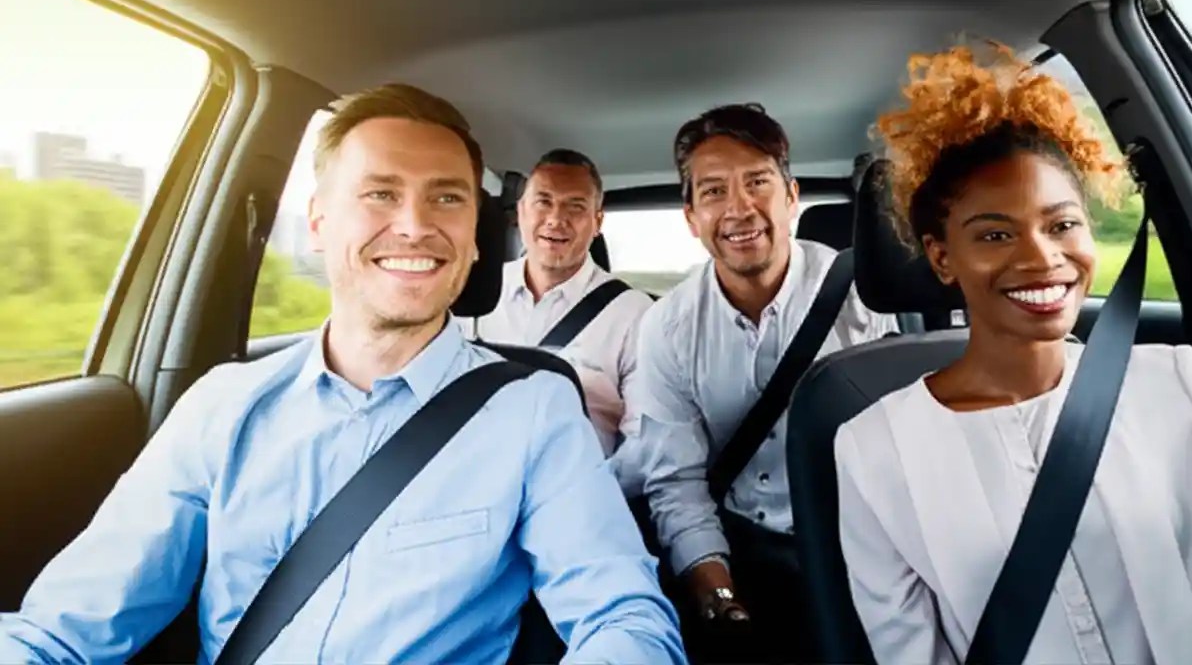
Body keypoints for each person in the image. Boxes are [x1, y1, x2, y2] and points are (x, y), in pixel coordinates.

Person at [0, 84, 686, 664]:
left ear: (478, 237)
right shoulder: (222, 407)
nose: (415, 225)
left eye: (447, 198)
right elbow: (63, 633)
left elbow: (623, 618)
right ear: (320, 222)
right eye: (380, 193)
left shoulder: (534, 410)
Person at [835, 41, 1192, 664]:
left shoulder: (1183, 385)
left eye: (1063, 224)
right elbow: (908, 650)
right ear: (942, 257)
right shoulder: (871, 448)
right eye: (995, 234)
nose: (1042, 256)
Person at [631, 103, 897, 660]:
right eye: (713, 192)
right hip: (739, 547)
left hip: (859, 534)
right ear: (690, 217)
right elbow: (676, 483)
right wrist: (719, 594)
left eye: (757, 182)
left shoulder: (862, 296)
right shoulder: (667, 328)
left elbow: (897, 447)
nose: (740, 208)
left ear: (792, 195)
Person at [468, 149, 653, 482]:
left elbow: (642, 444)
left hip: (581, 492)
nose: (555, 218)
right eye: (543, 202)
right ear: (521, 212)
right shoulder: (472, 294)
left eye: (575, 206)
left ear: (597, 222)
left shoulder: (634, 314)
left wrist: (581, 495)